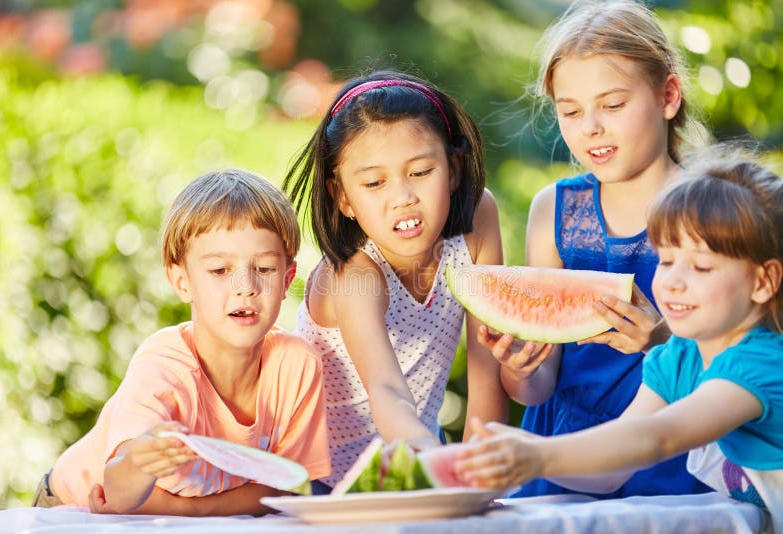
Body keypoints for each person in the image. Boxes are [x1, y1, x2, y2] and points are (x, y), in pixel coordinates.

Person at [456, 151, 783, 530]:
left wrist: (536, 454)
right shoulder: (680, 356)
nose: (673, 281)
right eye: (665, 260)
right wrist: (510, 463)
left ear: (763, 282)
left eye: (701, 267)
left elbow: (659, 437)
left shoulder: (760, 362)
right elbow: (609, 474)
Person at [477, 0, 713, 498]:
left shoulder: (713, 210)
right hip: (565, 452)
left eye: (612, 105)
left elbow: (739, 364)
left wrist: (660, 339)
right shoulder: (555, 212)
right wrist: (520, 367)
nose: (591, 128)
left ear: (668, 95)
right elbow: (539, 387)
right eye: (570, 111)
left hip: (674, 455)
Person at [33, 169, 330, 515]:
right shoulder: (164, 368)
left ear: (287, 279)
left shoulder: (297, 366)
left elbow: (285, 490)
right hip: (69, 507)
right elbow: (119, 497)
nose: (245, 285)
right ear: (181, 281)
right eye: (219, 270)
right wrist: (141, 468)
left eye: (264, 269)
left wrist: (190, 510)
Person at [283, 70, 510, 491]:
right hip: (338, 481)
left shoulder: (479, 219)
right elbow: (386, 389)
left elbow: (486, 369)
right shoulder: (353, 275)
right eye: (374, 182)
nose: (402, 197)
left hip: (424, 449)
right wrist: (431, 457)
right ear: (343, 197)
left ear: (454, 168)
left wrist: (485, 479)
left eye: (421, 172)